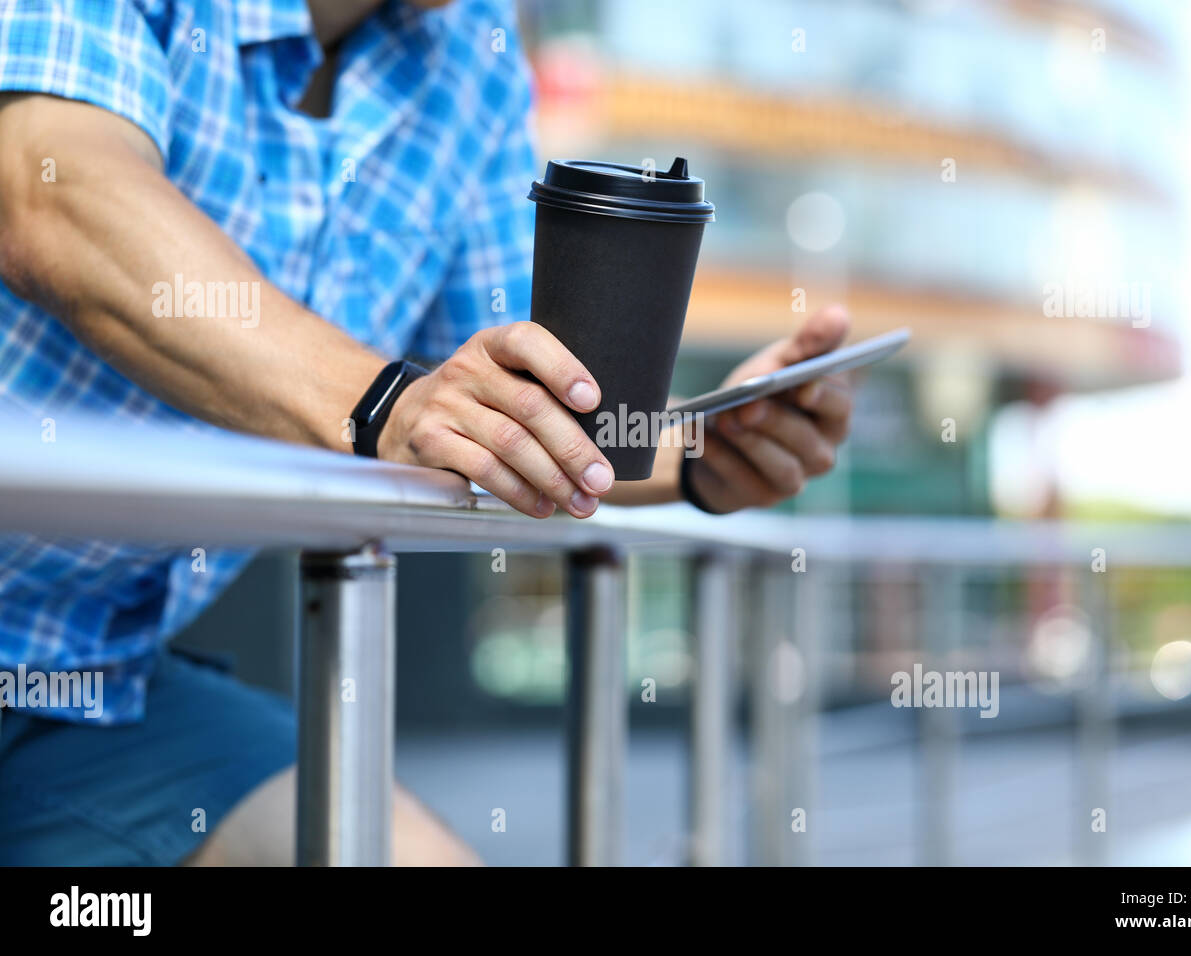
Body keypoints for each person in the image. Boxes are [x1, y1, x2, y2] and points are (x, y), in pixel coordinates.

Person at [0, 0, 853, 865]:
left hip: (94, 684)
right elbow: (51, 195)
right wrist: (383, 406)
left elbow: (504, 413)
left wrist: (709, 452)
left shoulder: (471, 55)